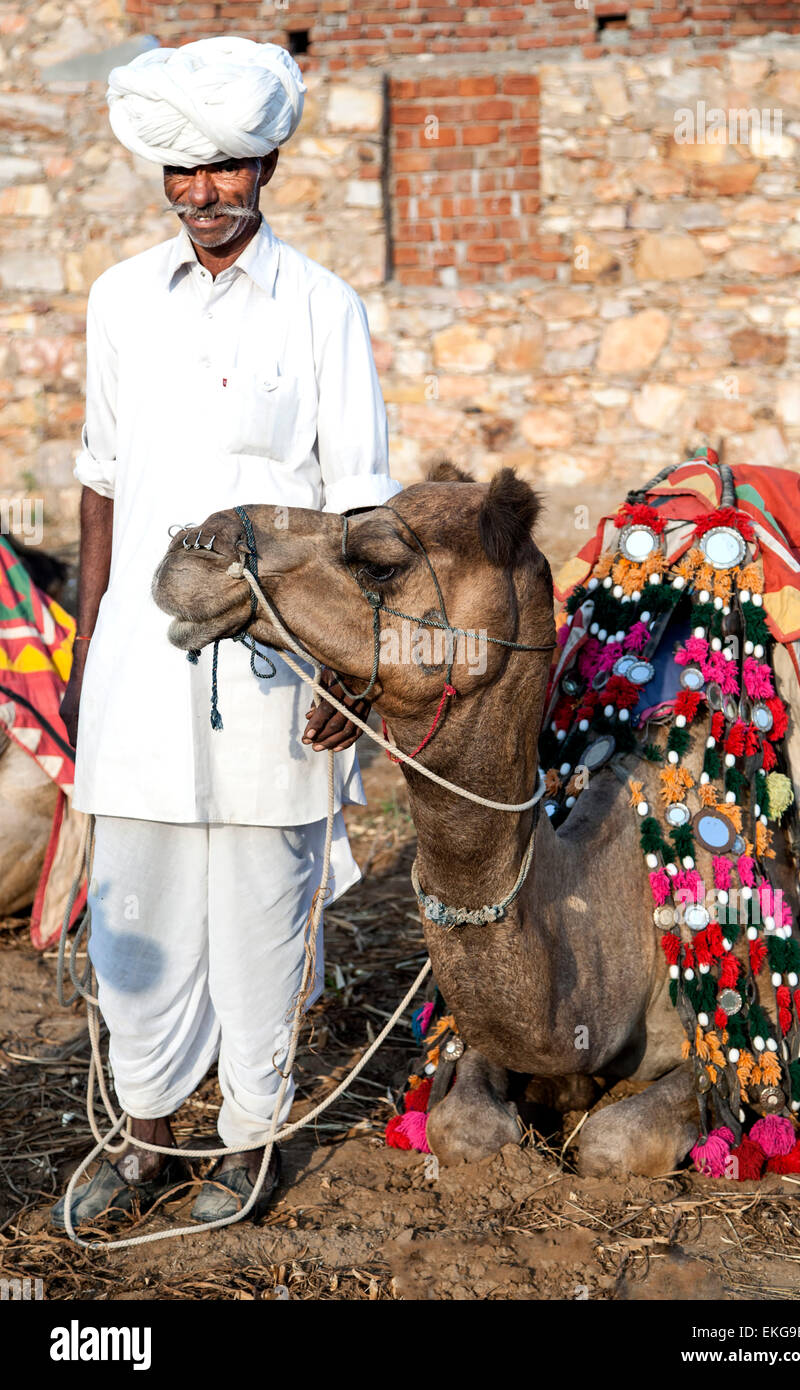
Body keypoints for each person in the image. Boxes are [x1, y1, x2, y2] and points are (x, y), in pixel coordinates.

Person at [52, 36, 400, 1230]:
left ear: (270, 162)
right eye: (182, 173)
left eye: (228, 169)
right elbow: (102, 482)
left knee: (260, 909)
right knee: (136, 908)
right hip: (139, 673)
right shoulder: (117, 303)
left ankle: (251, 1136)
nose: (205, 194)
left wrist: (347, 671)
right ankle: (141, 1134)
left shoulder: (322, 310)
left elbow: (359, 509)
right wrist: (88, 645)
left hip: (275, 672)